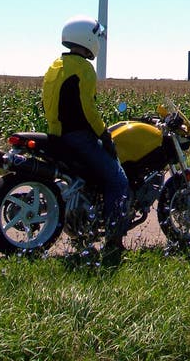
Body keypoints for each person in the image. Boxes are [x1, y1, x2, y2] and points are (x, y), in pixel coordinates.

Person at [42, 15, 129, 258]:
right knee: (118, 181)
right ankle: (114, 242)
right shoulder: (84, 69)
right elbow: (88, 109)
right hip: (79, 136)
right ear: (88, 39)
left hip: (56, 134)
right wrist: (104, 134)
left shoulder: (56, 65)